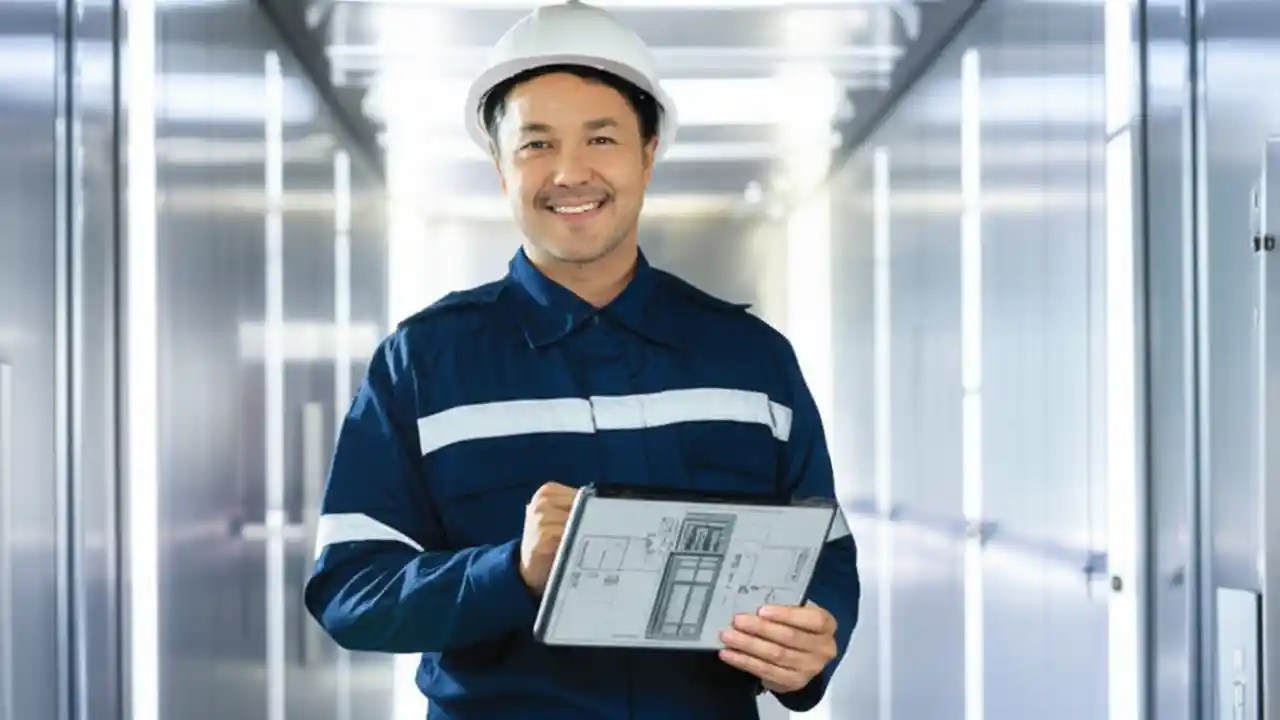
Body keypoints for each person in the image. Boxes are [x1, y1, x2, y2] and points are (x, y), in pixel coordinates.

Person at [304, 2, 859, 718]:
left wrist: (813, 646)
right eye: (535, 144)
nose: (570, 172)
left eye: (601, 137)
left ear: (648, 150)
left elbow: (825, 555)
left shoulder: (754, 363)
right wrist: (510, 571)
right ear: (500, 165)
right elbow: (351, 592)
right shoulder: (422, 365)